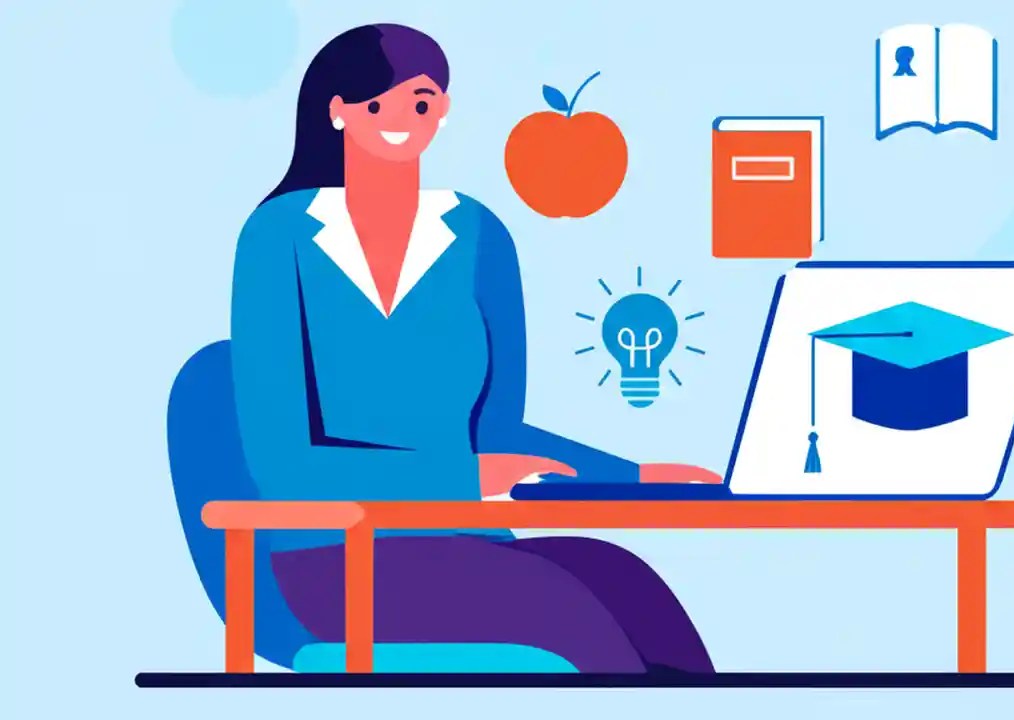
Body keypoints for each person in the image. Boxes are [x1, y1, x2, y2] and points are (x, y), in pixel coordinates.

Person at [231, 23, 719, 674]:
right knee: (573, 617)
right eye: (376, 104)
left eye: (420, 101)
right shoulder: (278, 237)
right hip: (335, 558)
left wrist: (633, 477)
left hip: (468, 537)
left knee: (631, 590)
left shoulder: (476, 233)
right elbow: (283, 466)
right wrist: (465, 477)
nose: (399, 120)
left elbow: (498, 434)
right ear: (338, 112)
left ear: (443, 108)